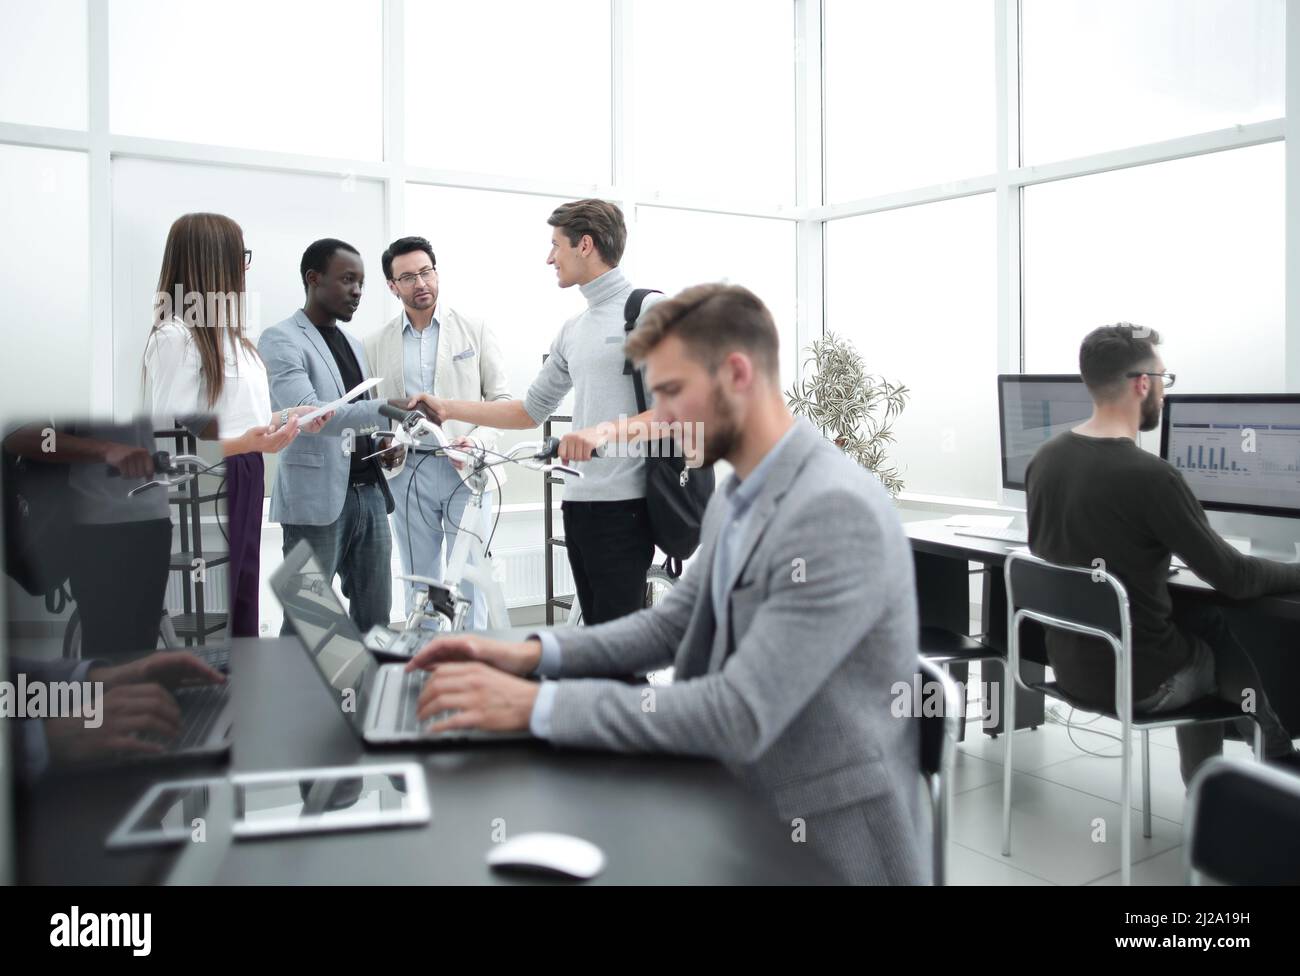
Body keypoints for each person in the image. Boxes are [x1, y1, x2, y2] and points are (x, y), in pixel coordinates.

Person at [404, 284, 929, 885]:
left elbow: (738, 712)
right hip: (736, 802)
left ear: (736, 373)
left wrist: (534, 704)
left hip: (823, 840)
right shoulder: (741, 489)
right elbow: (670, 625)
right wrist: (525, 653)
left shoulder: (833, 510)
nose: (661, 419)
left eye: (673, 393)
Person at [1026, 324, 1300, 783]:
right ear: (1141, 383)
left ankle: (1232, 781)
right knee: (1217, 629)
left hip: (1071, 667)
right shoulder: (1152, 477)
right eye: (1163, 379)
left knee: (1198, 617)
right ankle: (1269, 762)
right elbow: (1235, 578)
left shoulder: (1045, 459)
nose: (1164, 392)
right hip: (1144, 682)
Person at [408, 199, 663, 625]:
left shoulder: (652, 312)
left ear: (585, 245)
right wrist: (447, 407)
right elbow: (530, 410)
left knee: (619, 656)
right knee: (595, 647)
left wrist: (601, 434)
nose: (549, 258)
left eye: (555, 246)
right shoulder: (574, 329)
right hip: (578, 506)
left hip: (627, 506)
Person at [142, 212, 331, 638]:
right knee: (214, 613)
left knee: (243, 598)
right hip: (206, 485)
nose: (246, 267)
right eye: (240, 256)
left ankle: (238, 694)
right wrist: (247, 442)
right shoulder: (175, 337)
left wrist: (292, 417)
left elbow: (249, 420)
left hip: (245, 473)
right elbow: (169, 443)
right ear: (211, 262)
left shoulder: (234, 338)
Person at [258, 239, 404, 635]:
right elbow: (311, 415)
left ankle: (368, 695)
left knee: (376, 618)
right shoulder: (280, 339)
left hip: (369, 495)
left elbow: (362, 420)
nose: (357, 291)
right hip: (314, 502)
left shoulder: (354, 345)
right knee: (310, 623)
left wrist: (383, 442)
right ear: (313, 279)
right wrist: (390, 406)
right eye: (347, 280)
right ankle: (299, 698)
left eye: (361, 283)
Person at [363, 236, 511, 625]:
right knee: (421, 581)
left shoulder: (475, 330)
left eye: (426, 272)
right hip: (407, 472)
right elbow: (372, 411)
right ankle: (427, 669)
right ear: (392, 286)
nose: (421, 283)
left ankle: (472, 667)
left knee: (469, 578)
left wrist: (476, 440)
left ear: (437, 272)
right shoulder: (375, 343)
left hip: (467, 469)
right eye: (408, 277)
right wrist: (384, 441)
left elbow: (501, 400)